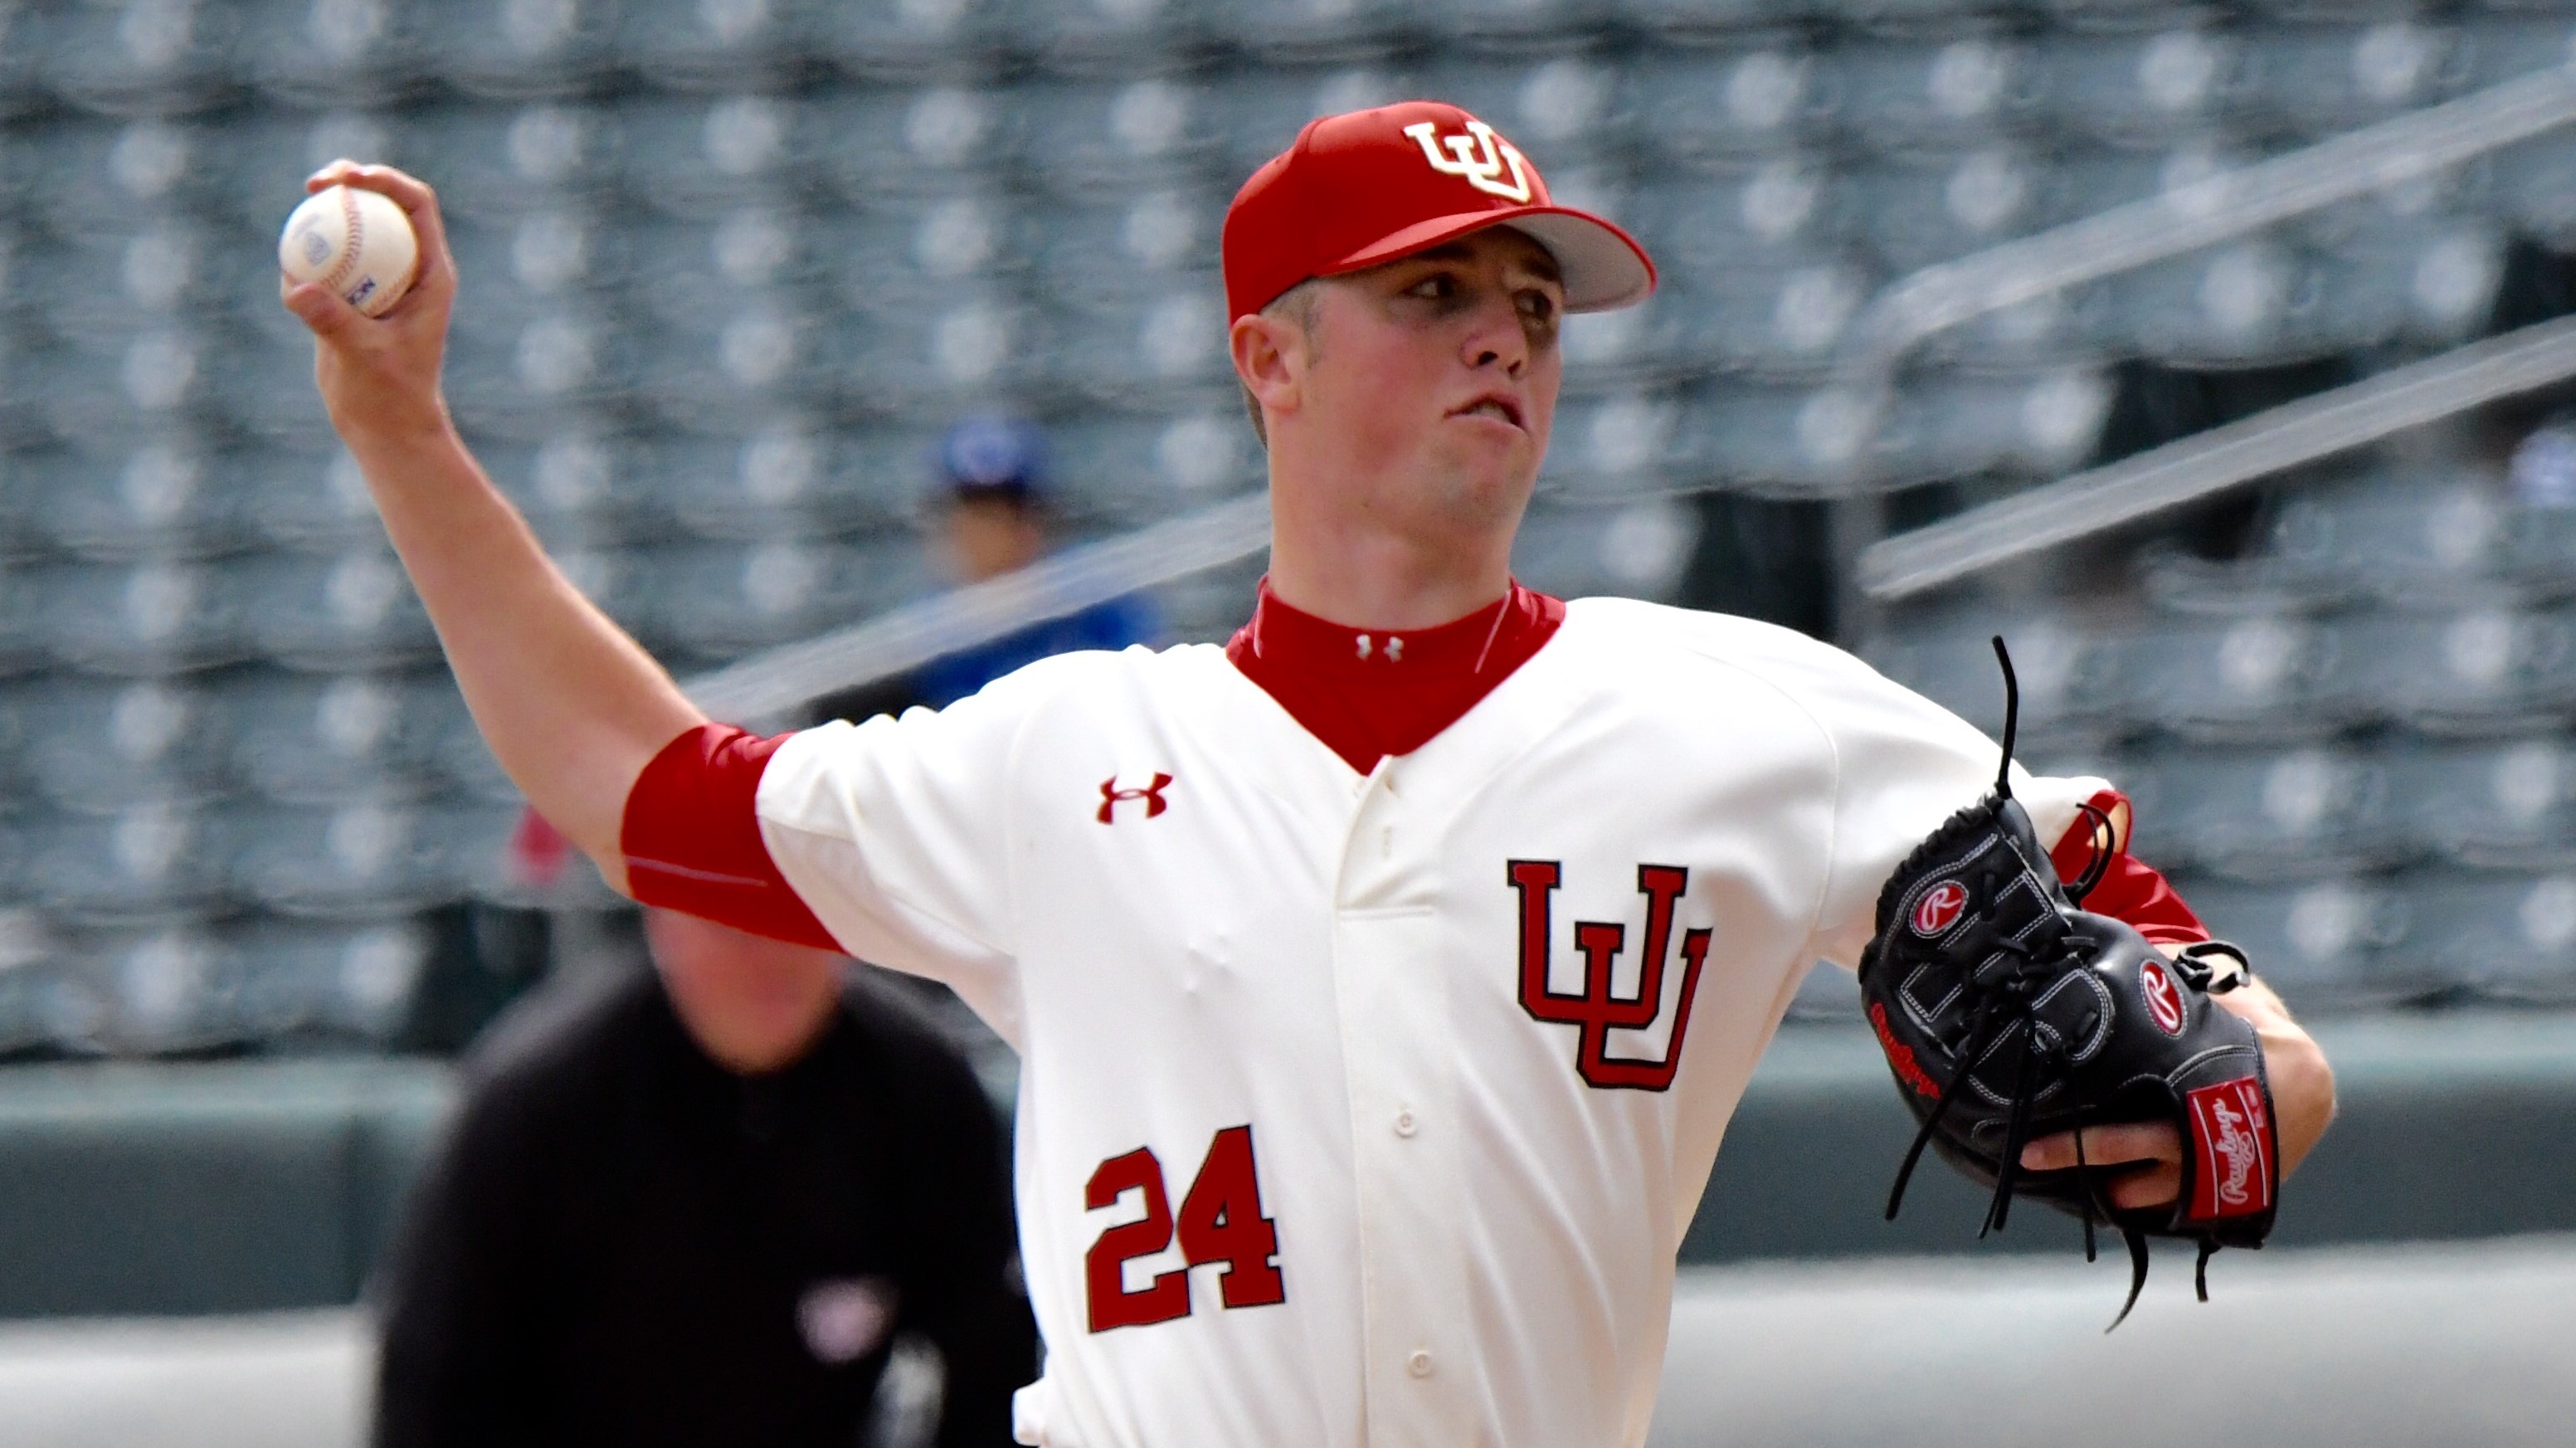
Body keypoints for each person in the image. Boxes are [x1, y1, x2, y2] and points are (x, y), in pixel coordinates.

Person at [285, 100, 2335, 1448]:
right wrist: (401, 432)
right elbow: (632, 779)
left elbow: (2250, 1044)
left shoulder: (1747, 720)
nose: (1501, 337)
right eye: (1432, 292)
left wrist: (2229, 1100)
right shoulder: (1064, 756)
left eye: (1529, 305)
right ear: (1267, 355)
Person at [370, 907, 1035, 1447]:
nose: (771, 952)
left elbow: (992, 1361)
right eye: (733, 922)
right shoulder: (540, 1098)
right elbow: (433, 1386)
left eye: (799, 916)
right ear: (661, 918)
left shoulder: (915, 1087)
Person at [816, 418, 1162, 726]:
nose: (988, 533)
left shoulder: (1095, 607)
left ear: (1037, 519)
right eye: (973, 513)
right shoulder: (927, 638)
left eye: (1002, 513)